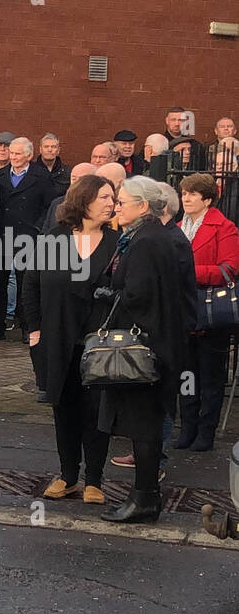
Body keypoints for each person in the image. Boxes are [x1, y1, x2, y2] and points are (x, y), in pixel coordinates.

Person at [23, 174, 118, 506]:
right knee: (63, 408)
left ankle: (94, 479)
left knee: (97, 410)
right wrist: (34, 331)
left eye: (113, 198)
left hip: (99, 343)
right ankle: (67, 475)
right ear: (84, 200)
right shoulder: (53, 238)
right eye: (104, 197)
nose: (111, 203)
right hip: (56, 338)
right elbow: (31, 285)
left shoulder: (117, 242)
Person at [96, 176, 187, 523]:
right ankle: (144, 496)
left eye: (122, 202)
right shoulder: (149, 237)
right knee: (143, 425)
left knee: (144, 426)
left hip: (146, 350)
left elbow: (139, 294)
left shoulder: (146, 241)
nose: (116, 207)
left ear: (143, 206)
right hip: (155, 345)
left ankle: (145, 499)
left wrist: (110, 296)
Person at [175, 173, 239, 452]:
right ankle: (187, 427)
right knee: (186, 376)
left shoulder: (225, 228)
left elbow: (228, 270)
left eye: (192, 194)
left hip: (211, 313)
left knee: (211, 377)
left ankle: (205, 431)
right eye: (183, 194)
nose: (186, 199)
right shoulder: (177, 227)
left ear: (208, 199)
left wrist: (188, 272)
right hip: (183, 313)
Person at [0, 137, 55, 341]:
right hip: (1, 236)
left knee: (27, 283)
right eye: (11, 153)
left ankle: (28, 327)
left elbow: (48, 206)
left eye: (17, 153)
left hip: (27, 236)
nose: (13, 157)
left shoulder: (41, 176)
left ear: (29, 155)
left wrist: (37, 228)